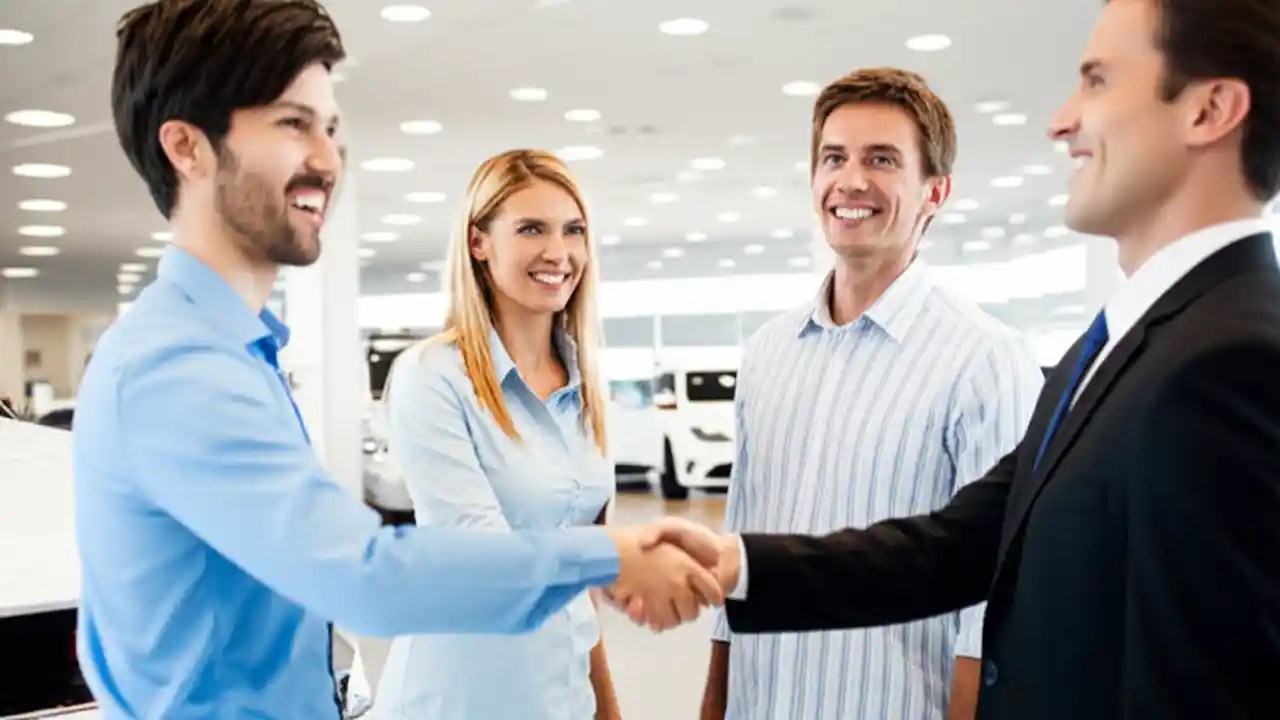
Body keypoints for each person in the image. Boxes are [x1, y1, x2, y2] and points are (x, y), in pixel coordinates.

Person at [72, 2, 722, 717]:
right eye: (293, 124)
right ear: (187, 148)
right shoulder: (176, 366)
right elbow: (365, 577)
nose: (327, 158)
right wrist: (612, 555)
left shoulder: (241, 352)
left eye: (330, 126)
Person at [652, 0, 1280, 717]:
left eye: (1099, 81)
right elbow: (957, 549)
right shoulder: (1112, 348)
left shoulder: (1234, 361)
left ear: (1211, 110)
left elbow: (1213, 687)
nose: (1062, 120)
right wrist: (734, 563)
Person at [699, 68, 1043, 720]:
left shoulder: (984, 359)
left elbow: (996, 591)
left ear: (934, 192)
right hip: (764, 703)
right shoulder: (769, 351)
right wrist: (715, 704)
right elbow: (738, 547)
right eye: (834, 158)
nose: (850, 181)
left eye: (881, 160)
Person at [373, 149, 623, 719]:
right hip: (457, 699)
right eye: (531, 228)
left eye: (573, 230)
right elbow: (483, 560)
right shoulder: (431, 375)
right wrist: (624, 556)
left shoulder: (584, 390)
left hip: (559, 698)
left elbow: (578, 588)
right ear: (478, 242)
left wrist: (607, 709)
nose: (557, 252)